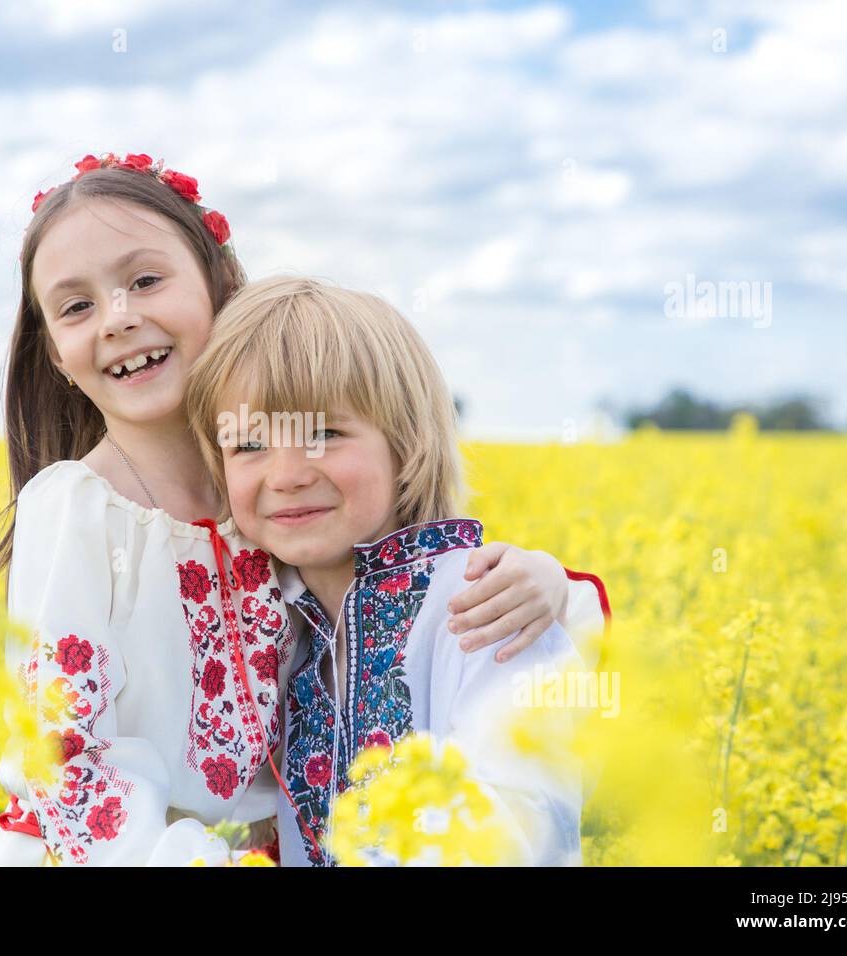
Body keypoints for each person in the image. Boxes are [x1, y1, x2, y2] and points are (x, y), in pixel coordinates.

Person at [0, 152, 591, 865]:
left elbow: (442, 609)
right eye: (76, 306)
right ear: (54, 353)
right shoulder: (76, 510)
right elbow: (62, 761)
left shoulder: (264, 516)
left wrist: (549, 581)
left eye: (145, 280)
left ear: (220, 285)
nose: (118, 318)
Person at [186, 276, 605, 865]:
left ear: (406, 443)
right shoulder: (266, 626)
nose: (285, 476)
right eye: (249, 445)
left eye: (324, 434)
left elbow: (524, 827)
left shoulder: (488, 602)